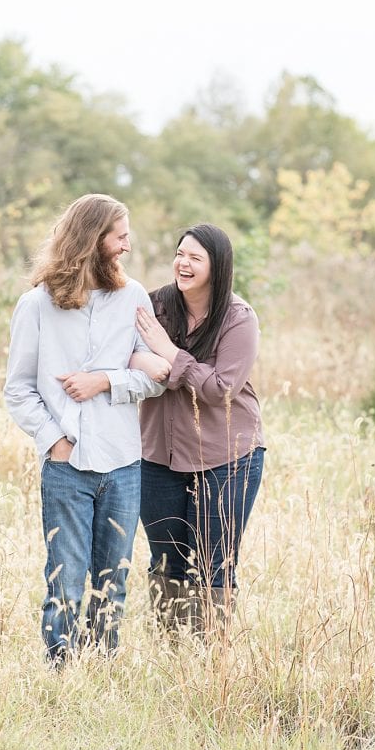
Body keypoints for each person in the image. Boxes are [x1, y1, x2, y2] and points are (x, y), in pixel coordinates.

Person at [3, 193, 167, 666]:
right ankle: (60, 672)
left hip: (123, 463)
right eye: (120, 237)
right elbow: (18, 389)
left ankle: (102, 671)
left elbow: (155, 377)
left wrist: (106, 380)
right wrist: (54, 440)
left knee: (113, 581)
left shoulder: (133, 297)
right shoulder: (36, 305)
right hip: (67, 466)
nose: (127, 246)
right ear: (92, 239)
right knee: (66, 579)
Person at [130, 223, 265, 636]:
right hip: (159, 454)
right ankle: (173, 654)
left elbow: (221, 390)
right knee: (165, 561)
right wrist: (148, 362)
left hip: (228, 456)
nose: (183, 264)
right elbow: (121, 354)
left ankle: (210, 659)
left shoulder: (238, 318)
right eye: (179, 254)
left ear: (217, 266)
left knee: (214, 563)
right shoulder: (153, 306)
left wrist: (168, 355)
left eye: (195, 258)